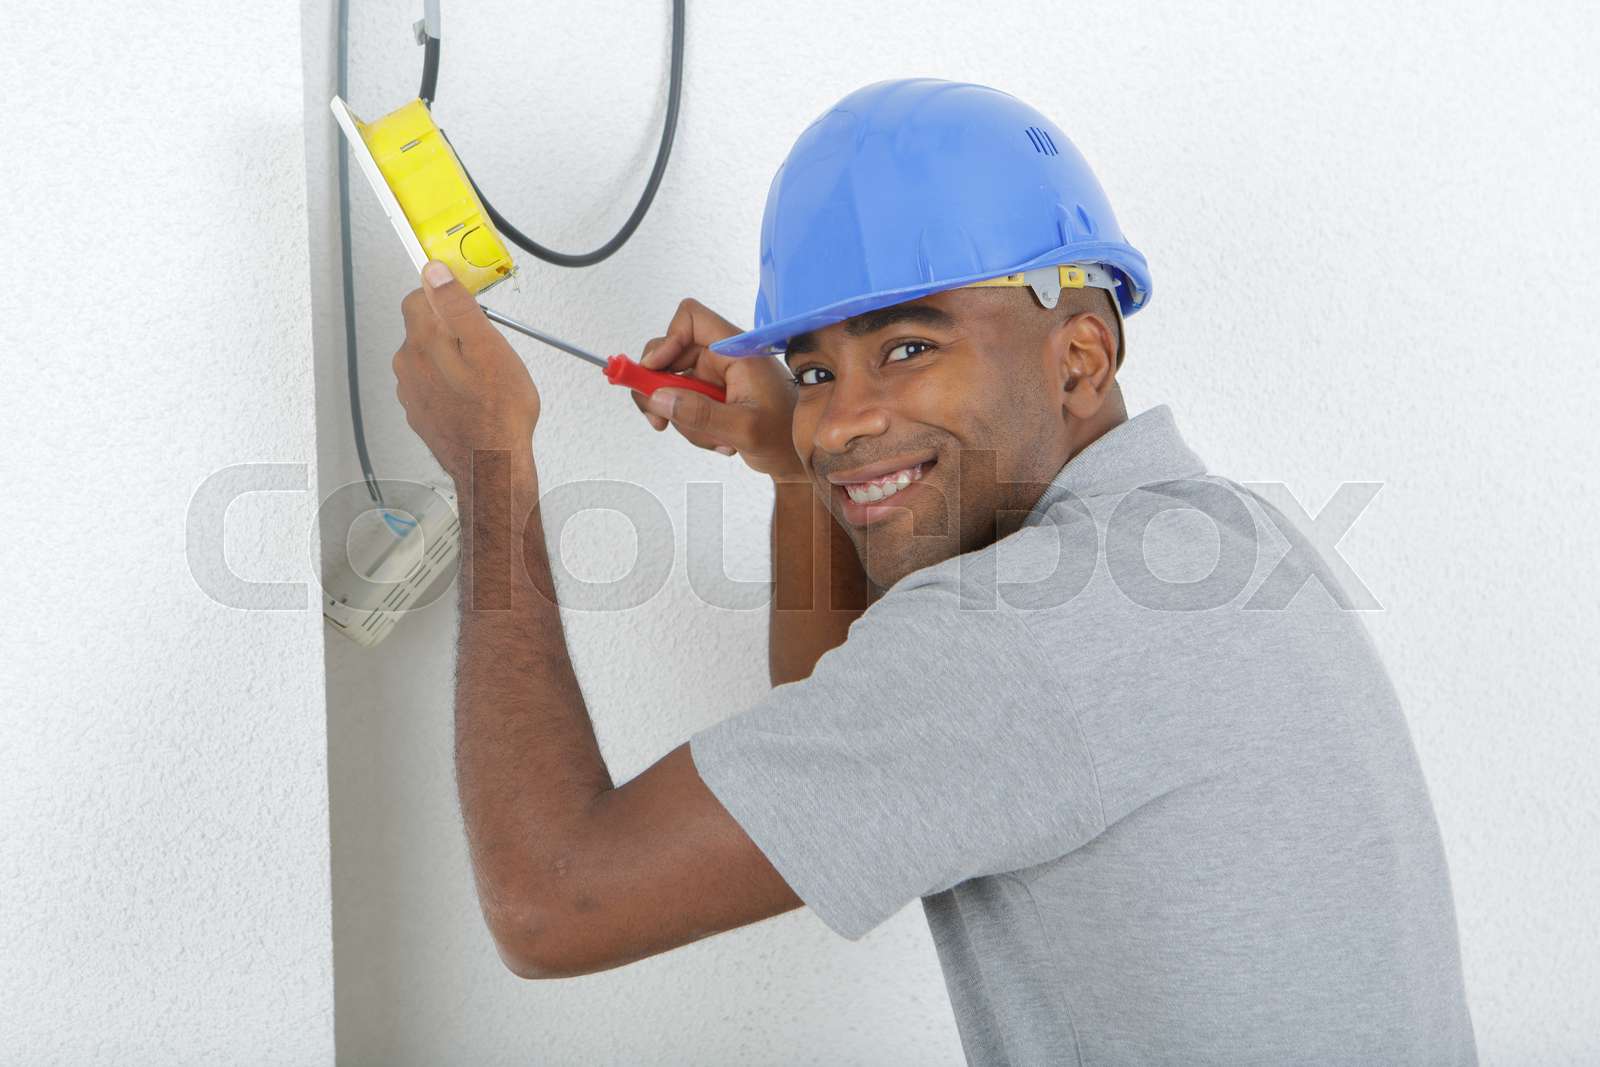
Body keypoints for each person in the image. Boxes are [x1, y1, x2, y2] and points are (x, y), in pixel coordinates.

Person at [390, 78, 1477, 1064]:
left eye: (908, 347)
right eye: (814, 367)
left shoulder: (1027, 631)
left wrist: (493, 466)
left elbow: (550, 904)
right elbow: (849, 728)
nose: (842, 419)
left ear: (1079, 357)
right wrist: (787, 462)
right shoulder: (1211, 540)